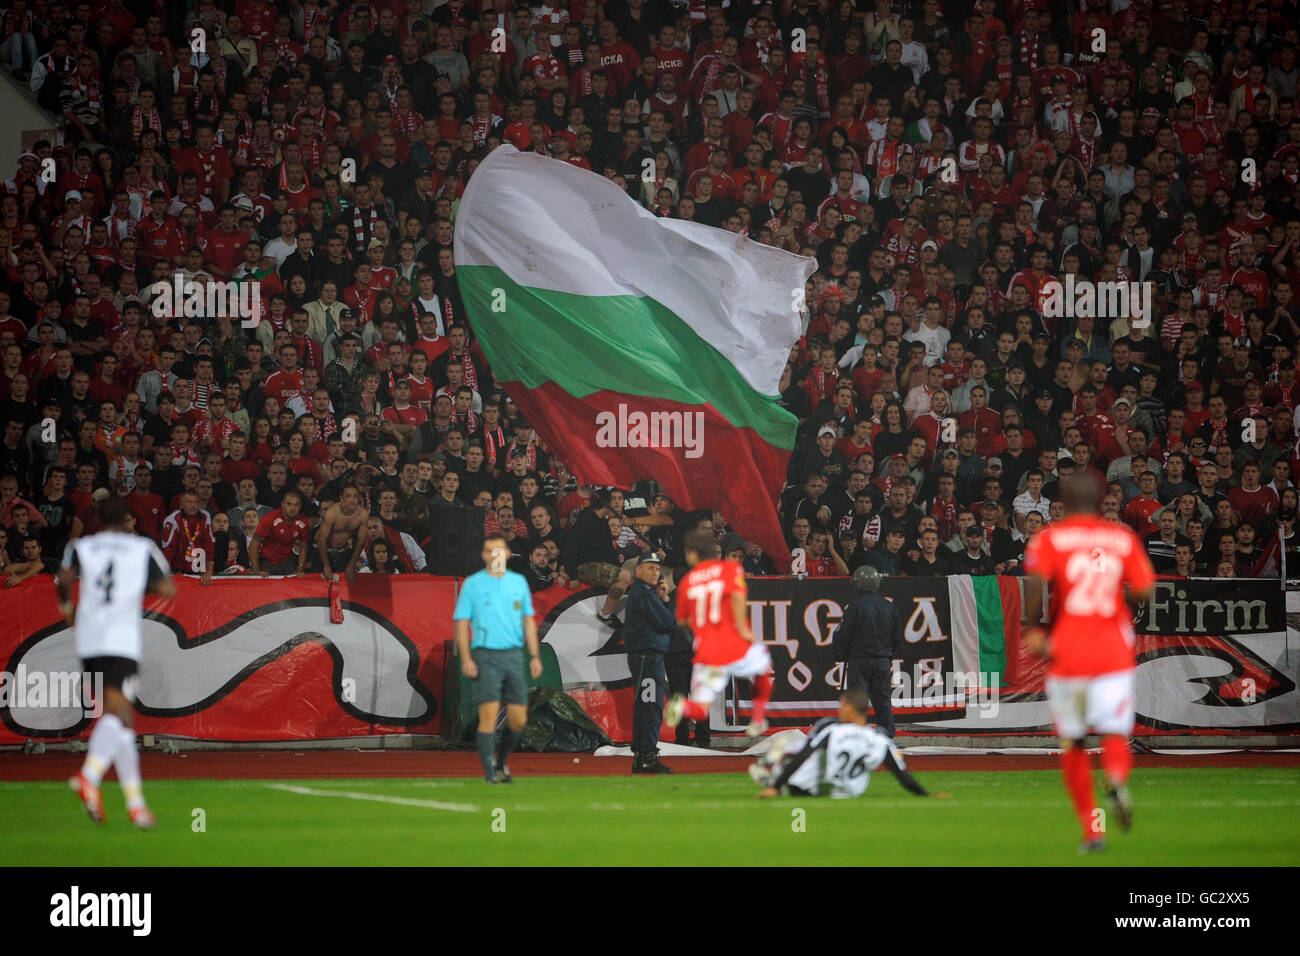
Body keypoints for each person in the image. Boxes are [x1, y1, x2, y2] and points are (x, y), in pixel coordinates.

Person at [1023, 473, 1156, 853]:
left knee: (1075, 744)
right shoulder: (1122, 539)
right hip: (1112, 650)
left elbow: (1034, 582)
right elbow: (1147, 587)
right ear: (1102, 499)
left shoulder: (1050, 538)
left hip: (1068, 652)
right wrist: (1119, 605)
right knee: (1114, 732)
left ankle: (1093, 831)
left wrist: (1034, 628)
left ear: (1064, 499)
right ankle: (1115, 779)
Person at [60, 496, 176, 829]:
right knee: (117, 712)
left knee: (123, 721)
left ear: (97, 520)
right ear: (127, 520)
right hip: (121, 641)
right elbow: (167, 589)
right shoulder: (141, 549)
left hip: (89, 639)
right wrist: (139, 587)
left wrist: (68, 612)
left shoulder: (82, 546)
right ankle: (89, 775)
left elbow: (64, 580)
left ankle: (136, 805)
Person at [453, 534, 544, 783]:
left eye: (500, 550)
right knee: (489, 714)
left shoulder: (518, 582)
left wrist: (534, 655)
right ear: (484, 555)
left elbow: (528, 621)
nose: (496, 555)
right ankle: (490, 772)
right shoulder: (473, 584)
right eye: (491, 551)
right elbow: (462, 624)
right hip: (486, 655)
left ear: (507, 553)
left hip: (514, 656)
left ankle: (501, 762)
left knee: (518, 719)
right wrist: (467, 658)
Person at [666, 529, 773, 737]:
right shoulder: (731, 571)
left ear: (692, 554)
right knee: (763, 668)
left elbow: (682, 620)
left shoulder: (688, 581)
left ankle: (682, 707)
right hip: (730, 643)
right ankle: (758, 719)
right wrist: (744, 632)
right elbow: (737, 601)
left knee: (700, 707)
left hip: (706, 649)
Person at [750, 689, 946, 799]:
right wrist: (926, 796)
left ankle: (776, 777)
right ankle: (777, 773)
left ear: (851, 709)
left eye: (843, 705)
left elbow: (804, 755)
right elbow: (901, 774)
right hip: (850, 792)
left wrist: (775, 787)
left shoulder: (833, 731)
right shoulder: (880, 739)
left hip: (815, 789)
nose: (840, 709)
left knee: (797, 754)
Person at [832, 565, 903, 737]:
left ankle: (855, 738)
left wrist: (840, 654)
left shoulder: (854, 607)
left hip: (859, 661)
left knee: (856, 703)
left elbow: (843, 634)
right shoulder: (889, 607)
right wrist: (887, 655)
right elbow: (898, 637)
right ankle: (887, 738)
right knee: (883, 701)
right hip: (882, 661)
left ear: (858, 584)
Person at [623, 554, 676, 774]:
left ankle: (642, 755)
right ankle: (646, 755)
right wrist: (667, 601)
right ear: (638, 570)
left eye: (657, 568)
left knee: (647, 706)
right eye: (650, 568)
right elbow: (667, 623)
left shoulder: (643, 592)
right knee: (650, 707)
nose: (655, 572)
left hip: (647, 656)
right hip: (647, 656)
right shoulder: (643, 593)